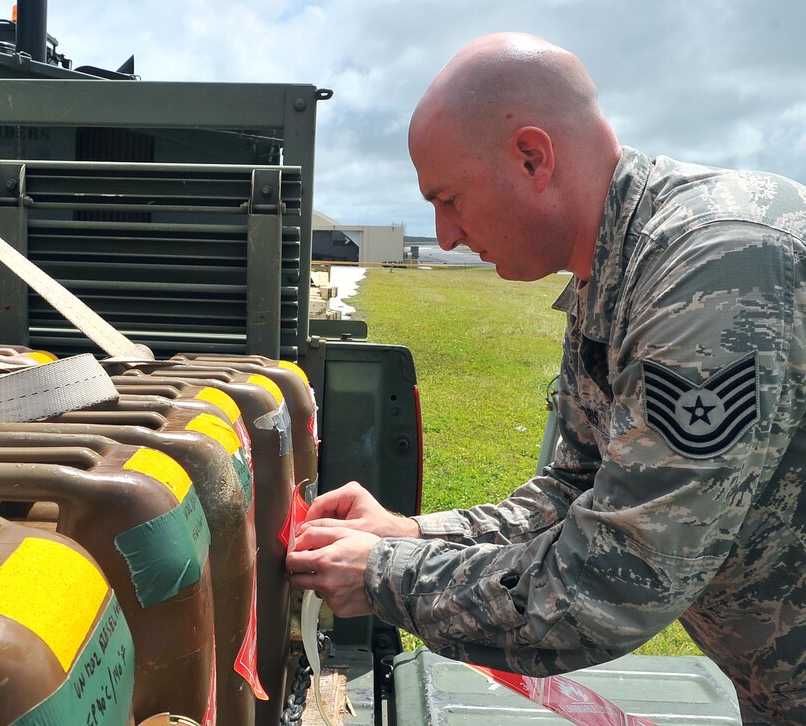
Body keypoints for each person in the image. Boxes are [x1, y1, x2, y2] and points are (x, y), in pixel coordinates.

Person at [285, 31, 806, 725]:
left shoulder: (714, 271)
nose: (442, 237)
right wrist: (409, 535)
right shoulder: (619, 266)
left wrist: (382, 577)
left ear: (532, 158)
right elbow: (575, 490)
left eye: (449, 199)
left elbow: (612, 583)